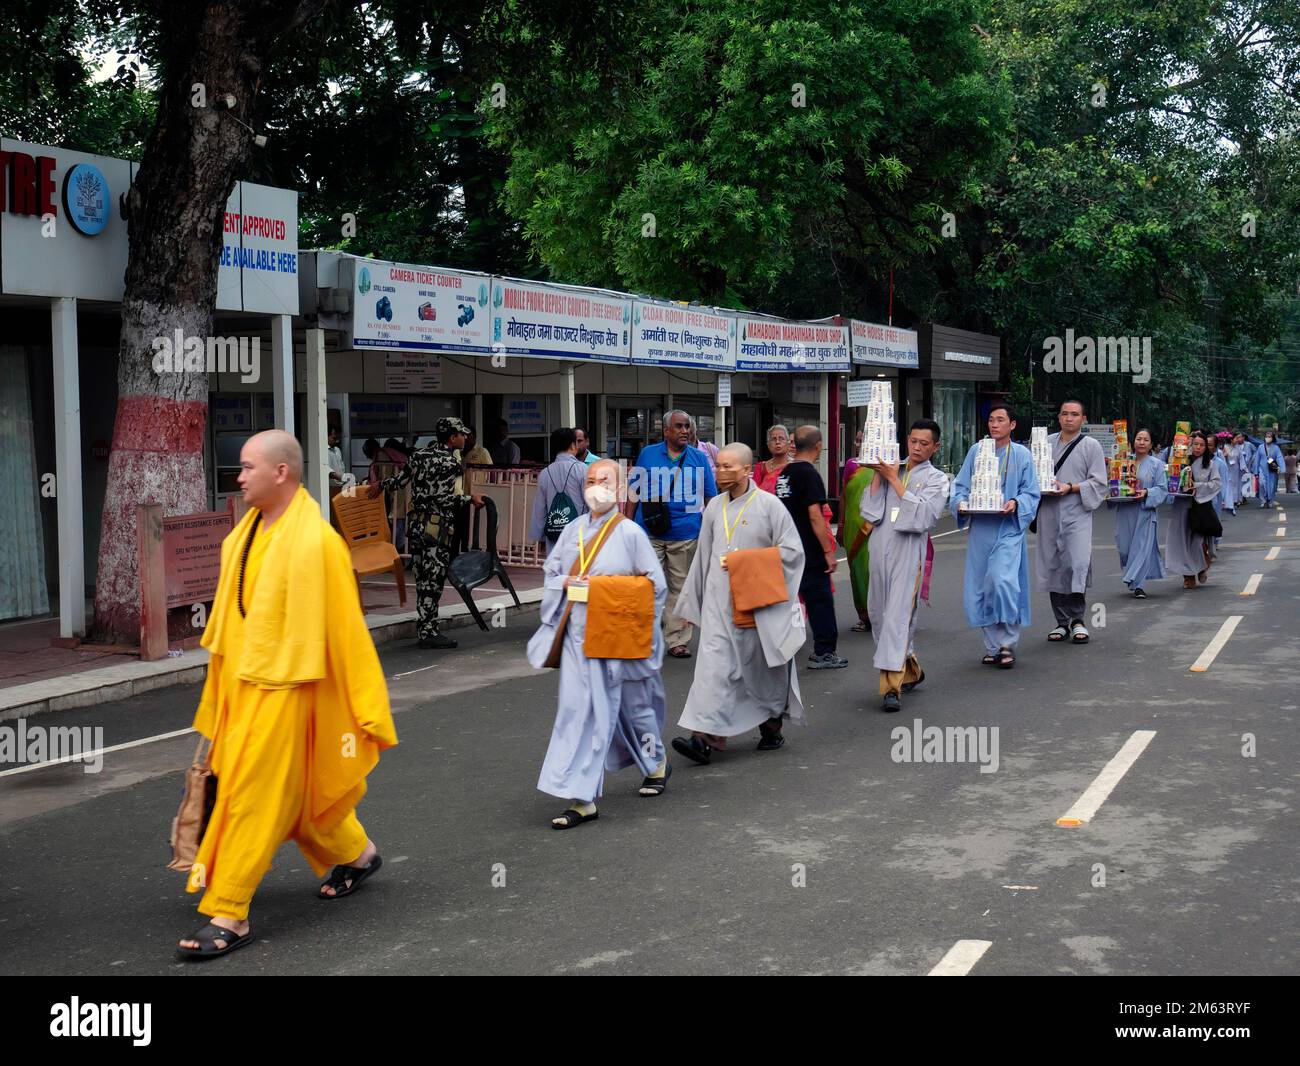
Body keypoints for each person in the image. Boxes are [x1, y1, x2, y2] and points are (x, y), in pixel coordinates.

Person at [176, 430, 397, 959]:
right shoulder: (243, 535)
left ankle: (230, 908)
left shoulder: (317, 541)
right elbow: (233, 623)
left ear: (282, 472)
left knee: (252, 795)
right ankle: (357, 853)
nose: (239, 476)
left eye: (249, 467)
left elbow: (345, 629)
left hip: (291, 691)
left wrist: (364, 703)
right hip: (244, 689)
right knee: (298, 797)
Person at [528, 460, 669, 828]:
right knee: (579, 713)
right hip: (580, 639)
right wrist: (567, 585)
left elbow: (655, 587)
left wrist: (603, 591)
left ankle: (656, 763)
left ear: (620, 489)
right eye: (591, 480)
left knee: (637, 710)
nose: (596, 486)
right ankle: (582, 797)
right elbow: (552, 575)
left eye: (604, 480)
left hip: (621, 637)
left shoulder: (630, 534)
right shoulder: (573, 530)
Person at [670, 443, 807, 764]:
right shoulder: (714, 508)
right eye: (717, 466)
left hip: (758, 606)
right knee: (713, 671)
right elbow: (702, 557)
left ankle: (771, 725)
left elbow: (792, 553)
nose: (720, 472)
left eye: (728, 467)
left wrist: (744, 562)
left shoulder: (770, 506)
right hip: (719, 606)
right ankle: (704, 737)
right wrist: (691, 606)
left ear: (748, 469)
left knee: (759, 671)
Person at [370, 417, 485, 649]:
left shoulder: (418, 456)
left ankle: (425, 626)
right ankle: (428, 631)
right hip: (437, 527)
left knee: (423, 577)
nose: (465, 438)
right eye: (461, 434)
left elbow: (400, 481)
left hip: (417, 526)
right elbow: (444, 498)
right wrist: (470, 499)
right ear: (452, 437)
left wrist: (380, 485)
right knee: (434, 581)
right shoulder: (450, 463)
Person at [860, 419, 948, 712]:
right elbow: (870, 513)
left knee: (898, 615)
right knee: (878, 612)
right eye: (913, 442)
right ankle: (910, 668)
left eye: (924, 444)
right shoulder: (890, 469)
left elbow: (923, 518)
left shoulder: (937, 479)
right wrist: (877, 475)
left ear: (935, 446)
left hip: (909, 552)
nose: (917, 448)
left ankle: (890, 687)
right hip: (880, 548)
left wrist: (895, 481)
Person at [950, 404, 1041, 668]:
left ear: (1012, 425)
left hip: (1008, 529)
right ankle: (993, 645)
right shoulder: (976, 451)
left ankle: (1007, 642)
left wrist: (1015, 502)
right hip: (981, 530)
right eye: (991, 419)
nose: (994, 424)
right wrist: (959, 503)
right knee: (981, 588)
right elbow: (960, 486)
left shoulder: (1022, 455)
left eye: (1000, 420)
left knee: (1003, 582)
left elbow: (1031, 492)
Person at [626, 409, 717, 658]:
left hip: (686, 532)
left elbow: (711, 497)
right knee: (647, 586)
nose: (685, 431)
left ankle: (677, 639)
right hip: (649, 531)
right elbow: (633, 493)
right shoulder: (648, 454)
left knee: (680, 588)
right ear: (666, 431)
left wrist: (715, 529)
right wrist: (627, 525)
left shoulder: (699, 458)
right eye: (679, 426)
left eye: (687, 426)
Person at [1035, 400, 1107, 644]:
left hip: (1077, 511)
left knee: (1076, 563)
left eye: (1074, 414)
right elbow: (1032, 473)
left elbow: (1099, 483)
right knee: (1053, 564)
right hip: (1049, 511)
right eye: (1064, 414)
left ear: (1083, 419)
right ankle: (1061, 622)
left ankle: (1078, 620)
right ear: (1058, 417)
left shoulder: (1091, 446)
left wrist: (1071, 487)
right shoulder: (1044, 444)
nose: (1069, 418)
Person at [776, 426, 846, 668]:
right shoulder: (809, 474)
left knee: (790, 600)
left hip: (787, 547)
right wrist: (828, 551)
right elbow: (815, 515)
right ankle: (824, 651)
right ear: (819, 446)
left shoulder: (785, 473)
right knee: (820, 601)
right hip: (808, 549)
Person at [1111, 428, 1167, 598]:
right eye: (1138, 439)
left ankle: (1139, 585)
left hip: (1145, 511)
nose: (1141, 442)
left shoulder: (1156, 464)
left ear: (1151, 444)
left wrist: (1147, 493)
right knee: (1125, 547)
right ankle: (1132, 575)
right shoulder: (1122, 462)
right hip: (1125, 510)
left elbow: (1162, 488)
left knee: (1142, 548)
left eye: (1146, 440)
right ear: (1132, 442)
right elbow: (1113, 483)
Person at [1166, 431, 1222, 589]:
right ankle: (1188, 575)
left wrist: (1195, 487)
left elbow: (1216, 484)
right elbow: (1169, 476)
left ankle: (1201, 565)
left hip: (1200, 506)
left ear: (1206, 448)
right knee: (1182, 542)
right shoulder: (1181, 461)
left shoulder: (1210, 465)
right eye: (1195, 444)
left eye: (1202, 445)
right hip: (1182, 506)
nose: (1198, 447)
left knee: (1197, 542)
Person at [529, 427, 590, 544]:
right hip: (579, 536)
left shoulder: (545, 473)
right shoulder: (582, 469)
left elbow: (540, 509)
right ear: (573, 445)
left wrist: (540, 537)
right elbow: (591, 502)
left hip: (554, 536)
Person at [840, 439, 875, 634]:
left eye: (866, 439)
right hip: (853, 527)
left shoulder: (885, 465)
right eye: (859, 440)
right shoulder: (851, 465)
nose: (862, 443)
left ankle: (877, 614)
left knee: (874, 571)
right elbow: (844, 495)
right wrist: (841, 524)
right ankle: (863, 616)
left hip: (875, 526)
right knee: (857, 572)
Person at [753, 424, 791, 493]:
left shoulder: (797, 466)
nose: (777, 442)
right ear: (768, 445)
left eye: (781, 438)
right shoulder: (760, 468)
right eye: (773, 439)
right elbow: (754, 494)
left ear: (788, 443)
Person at [1252, 430, 1284, 508]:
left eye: (1269, 437)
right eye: (1266, 436)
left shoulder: (1276, 448)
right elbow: (1257, 459)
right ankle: (1263, 500)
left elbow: (1279, 457)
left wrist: (1281, 467)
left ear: (1272, 438)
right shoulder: (1260, 447)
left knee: (1271, 486)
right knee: (1261, 484)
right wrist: (1256, 471)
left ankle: (1270, 500)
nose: (1268, 438)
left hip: (1272, 470)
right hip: (1262, 469)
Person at [1220, 434, 1241, 515]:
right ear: (1231, 440)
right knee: (1228, 485)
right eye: (1236, 438)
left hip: (1236, 468)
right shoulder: (1225, 447)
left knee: (1236, 484)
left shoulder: (1237, 447)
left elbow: (1240, 458)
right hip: (1228, 468)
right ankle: (1228, 502)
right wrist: (1224, 455)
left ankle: (1235, 500)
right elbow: (1222, 457)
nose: (1237, 439)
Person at [327, 426, 347, 490]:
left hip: (341, 485)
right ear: (327, 436)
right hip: (330, 487)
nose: (337, 441)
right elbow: (326, 470)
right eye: (334, 438)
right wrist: (339, 477)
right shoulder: (322, 451)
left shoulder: (337, 450)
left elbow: (341, 467)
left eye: (338, 438)